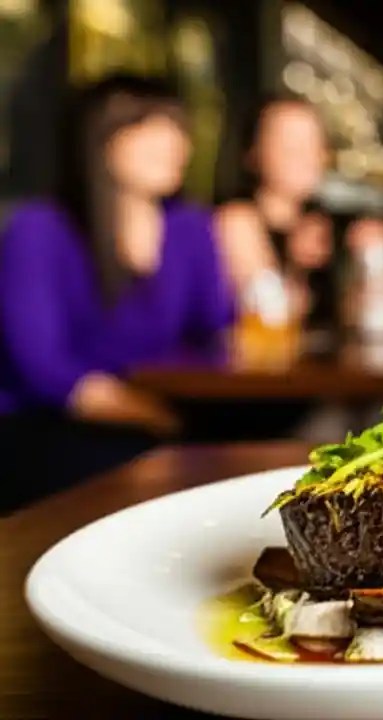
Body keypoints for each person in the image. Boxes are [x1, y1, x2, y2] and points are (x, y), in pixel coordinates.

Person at [0, 75, 233, 505]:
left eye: (178, 128)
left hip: (155, 422)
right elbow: (43, 368)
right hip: (47, 429)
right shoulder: (41, 228)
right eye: (150, 127)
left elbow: (217, 332)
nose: (174, 143)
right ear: (99, 140)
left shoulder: (190, 226)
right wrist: (156, 417)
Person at [216, 97, 333, 324]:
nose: (306, 157)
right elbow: (271, 314)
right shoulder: (236, 220)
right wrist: (296, 265)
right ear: (253, 153)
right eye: (289, 146)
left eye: (314, 143)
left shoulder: (320, 224)